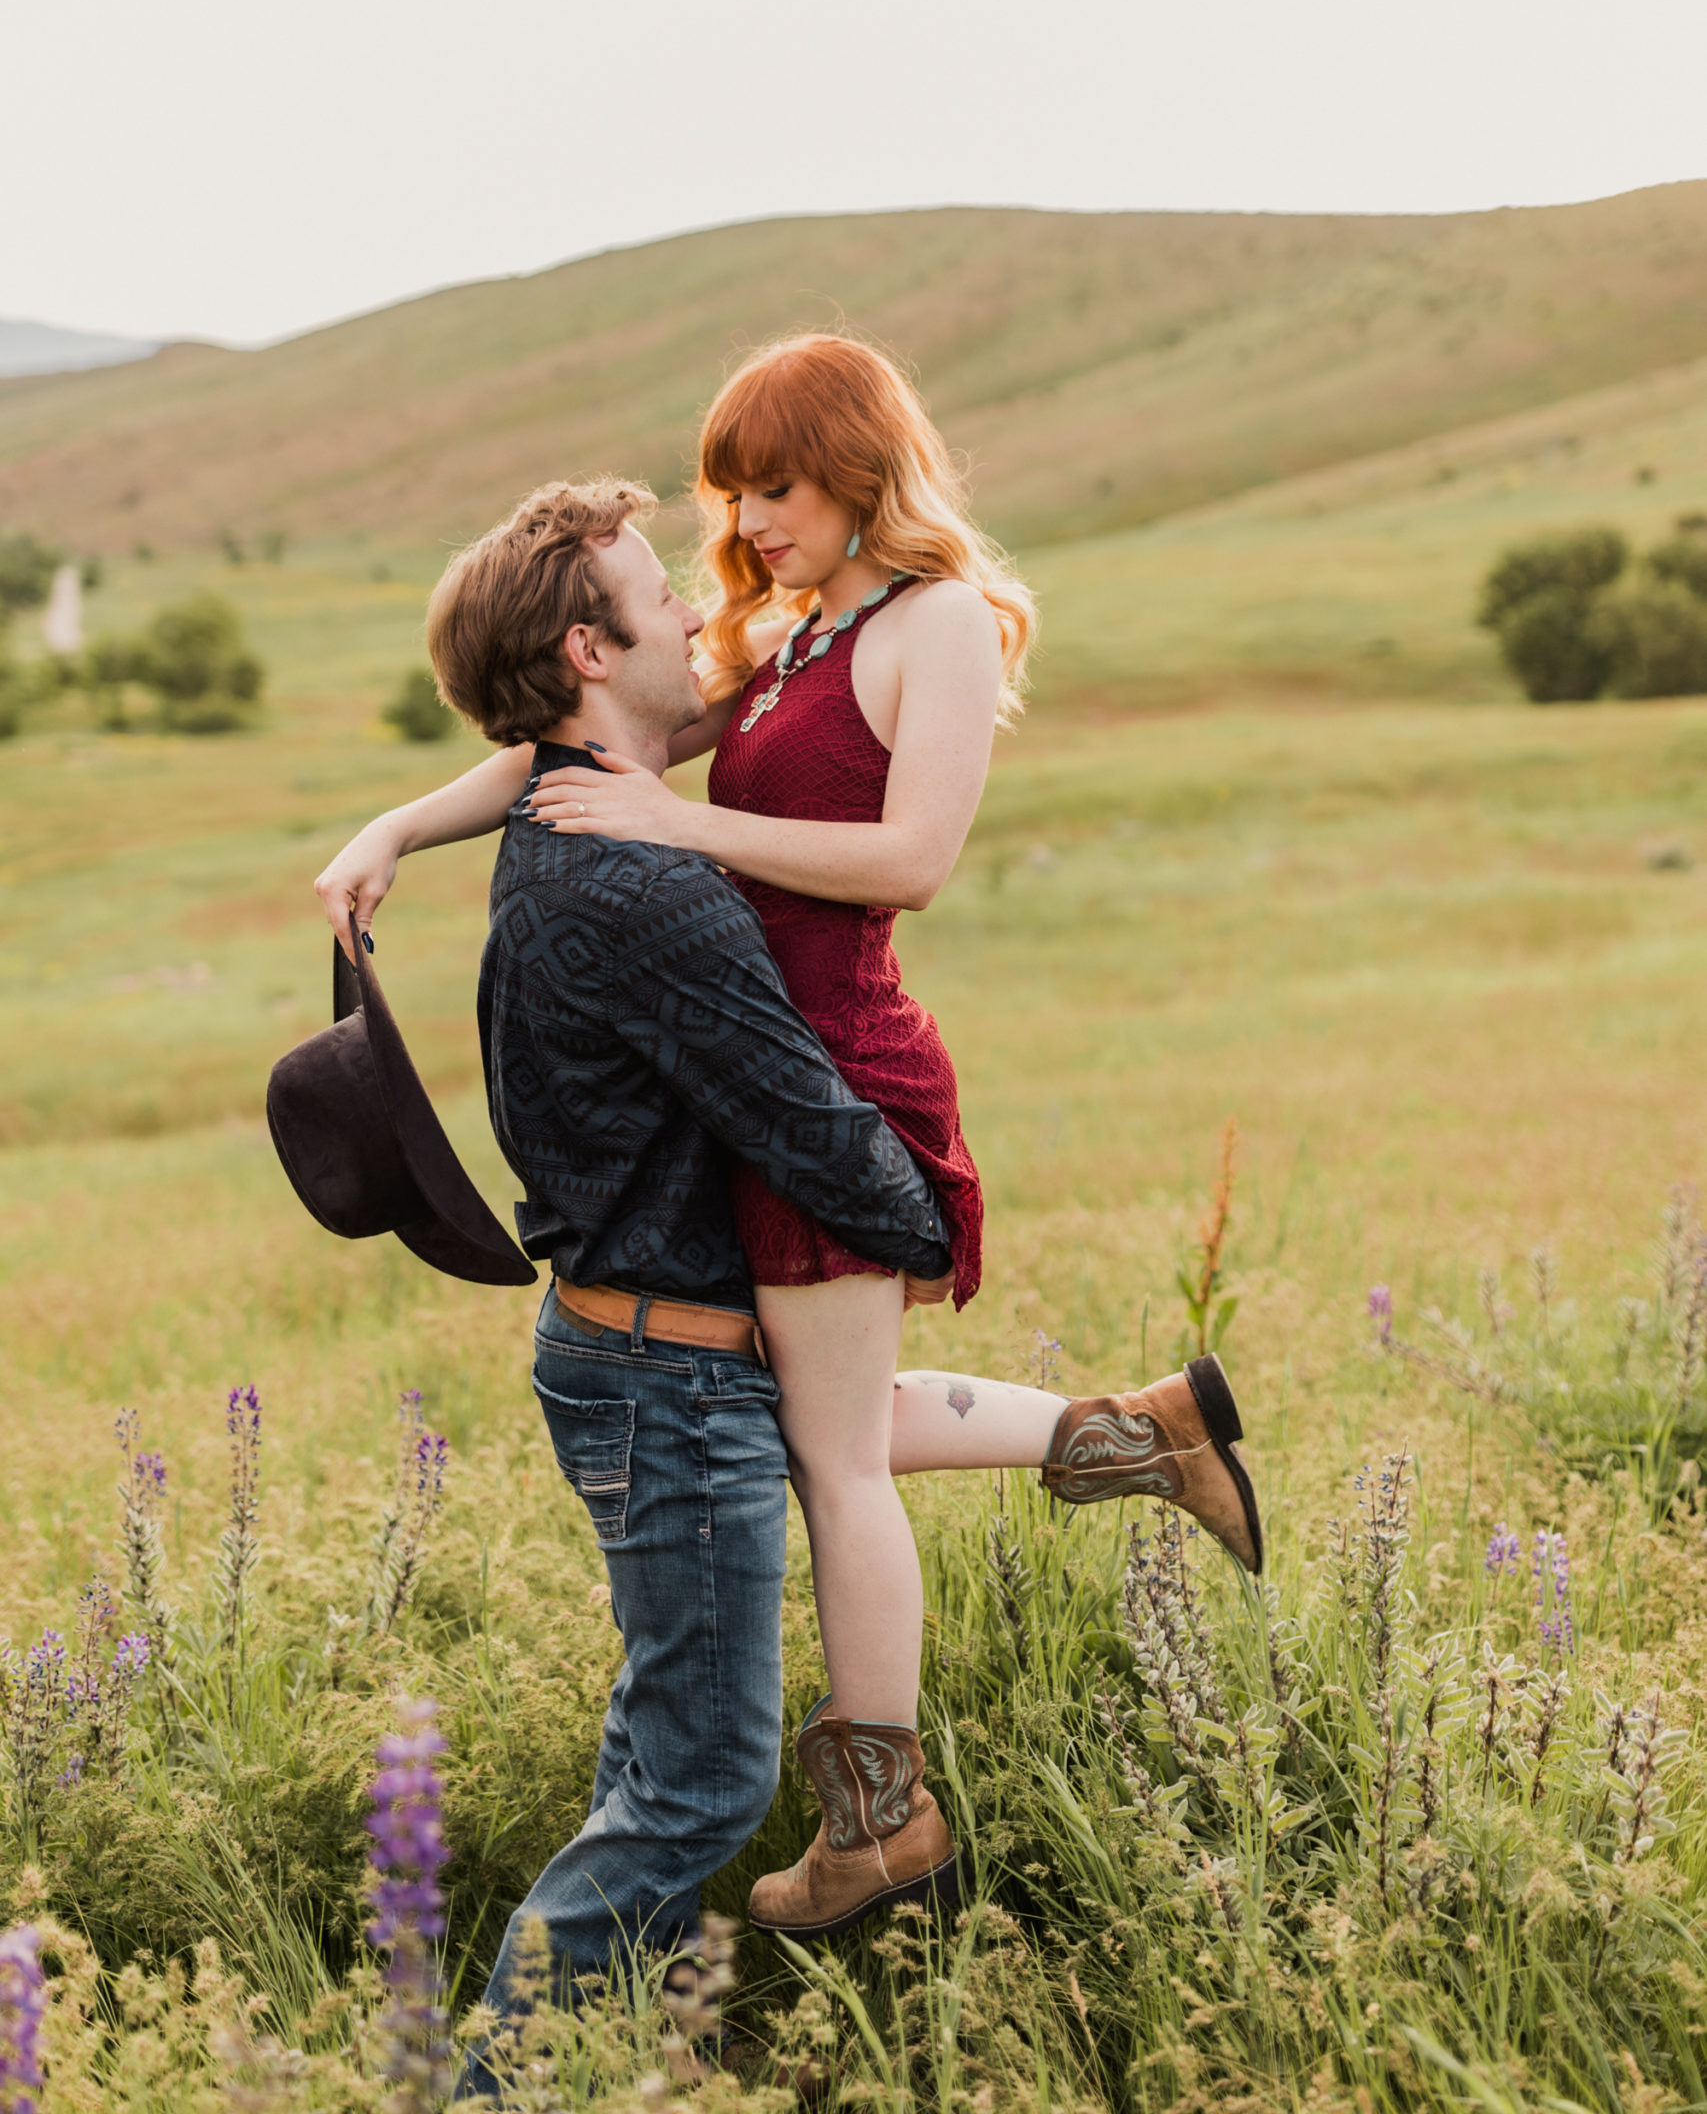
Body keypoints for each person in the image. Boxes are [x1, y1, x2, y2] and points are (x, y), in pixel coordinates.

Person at [315, 343, 1261, 1948]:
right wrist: (399, 824)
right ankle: (1136, 1438)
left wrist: (681, 827)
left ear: (864, 468)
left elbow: (917, 855)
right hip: (763, 1067)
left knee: (825, 1454)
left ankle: (878, 1823)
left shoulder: (936, 624)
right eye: (729, 495)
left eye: (775, 488)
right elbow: (579, 738)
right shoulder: (795, 624)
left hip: (836, 1073)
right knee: (815, 1416)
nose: (742, 530)